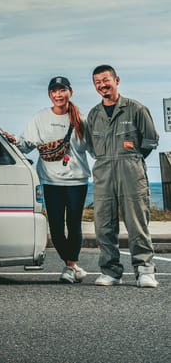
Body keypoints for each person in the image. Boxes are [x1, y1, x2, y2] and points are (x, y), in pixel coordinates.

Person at [4, 77, 91, 284]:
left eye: (62, 90)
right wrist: (13, 140)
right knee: (56, 227)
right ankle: (72, 265)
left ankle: (70, 266)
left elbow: (95, 148)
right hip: (51, 180)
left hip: (77, 181)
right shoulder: (40, 118)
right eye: (54, 91)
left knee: (74, 224)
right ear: (49, 94)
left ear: (70, 92)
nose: (58, 95)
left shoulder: (82, 120)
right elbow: (26, 145)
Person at [86, 65, 159, 288]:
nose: (102, 85)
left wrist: (131, 158)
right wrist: (110, 159)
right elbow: (91, 146)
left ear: (116, 80)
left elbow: (149, 141)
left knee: (137, 223)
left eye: (105, 80)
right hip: (104, 172)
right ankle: (111, 272)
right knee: (104, 225)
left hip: (131, 171)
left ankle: (145, 271)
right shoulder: (94, 114)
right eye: (97, 82)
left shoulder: (136, 109)